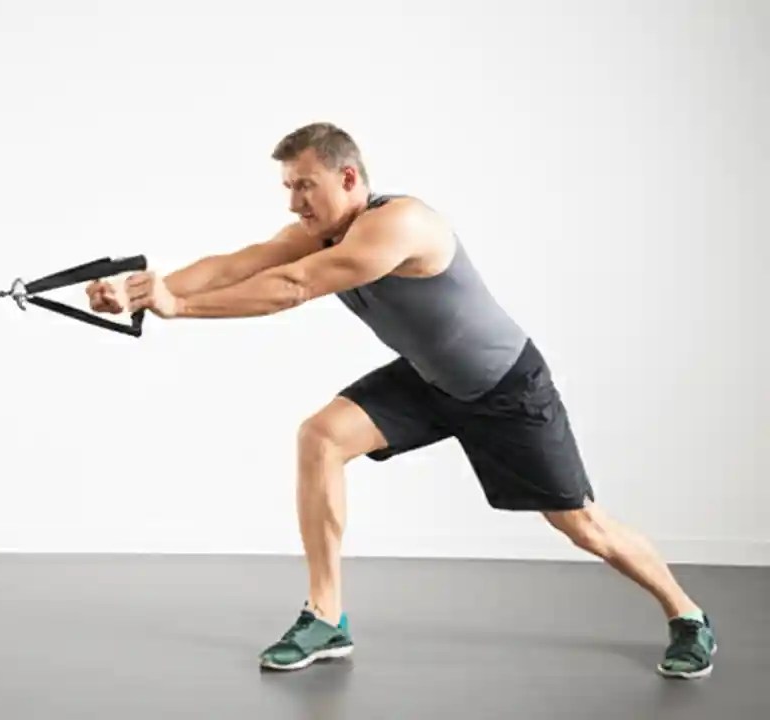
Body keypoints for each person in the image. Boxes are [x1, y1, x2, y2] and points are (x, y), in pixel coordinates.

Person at [84, 122, 716, 679]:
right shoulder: (319, 231)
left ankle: (686, 615)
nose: (294, 202)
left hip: (505, 389)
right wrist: (141, 290)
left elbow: (292, 287)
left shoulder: (399, 224)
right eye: (288, 187)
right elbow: (238, 264)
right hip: (429, 381)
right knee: (320, 437)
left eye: (305, 185)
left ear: (348, 177)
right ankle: (325, 617)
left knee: (583, 525)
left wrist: (179, 307)